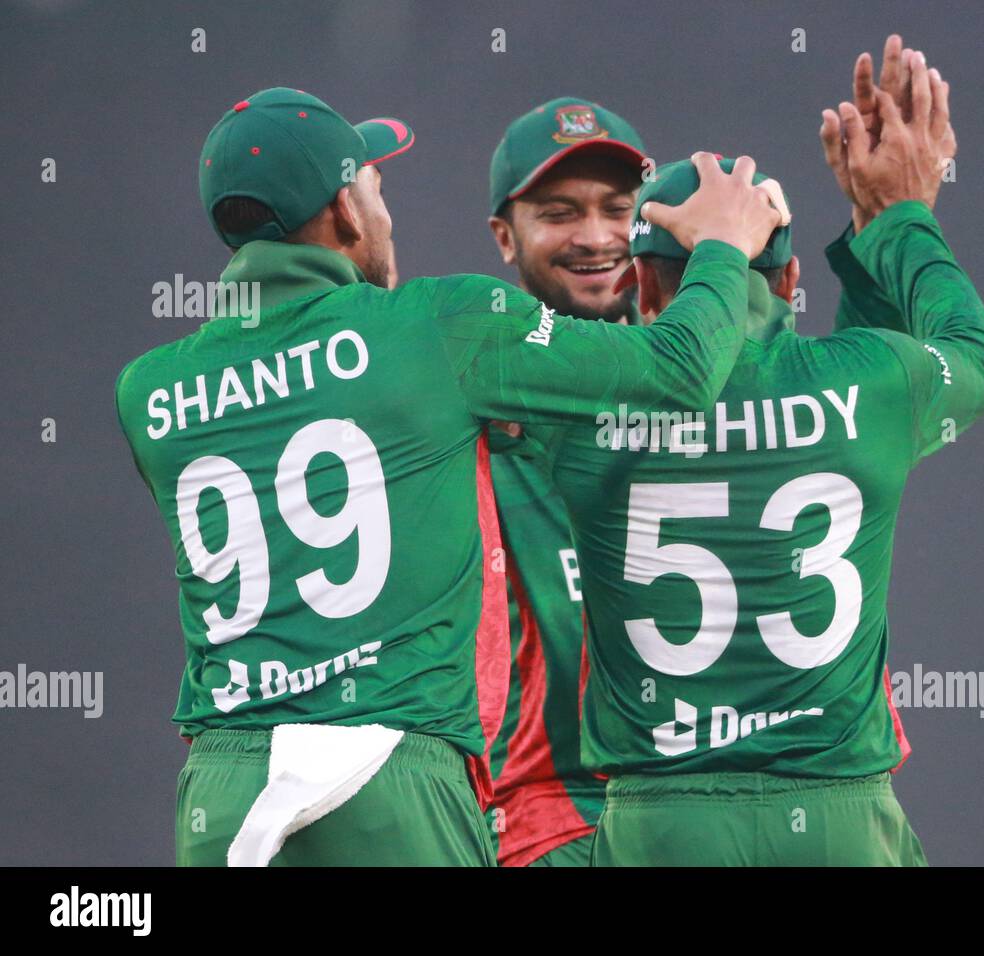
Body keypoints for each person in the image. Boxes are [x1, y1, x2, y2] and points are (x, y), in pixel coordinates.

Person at [112, 86, 780, 865]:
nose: (387, 212)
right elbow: (683, 369)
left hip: (224, 789)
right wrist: (725, 248)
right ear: (347, 209)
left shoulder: (147, 392)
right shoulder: (438, 328)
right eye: (377, 186)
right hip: (389, 772)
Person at [505, 45, 984, 865]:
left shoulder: (579, 407)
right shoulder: (872, 385)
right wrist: (902, 214)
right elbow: (972, 359)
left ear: (639, 283)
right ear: (795, 278)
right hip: (840, 820)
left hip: (661, 825)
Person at [482, 97, 646, 867]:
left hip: (701, 810)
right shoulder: (462, 402)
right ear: (505, 237)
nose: (595, 237)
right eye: (560, 212)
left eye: (619, 209)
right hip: (549, 829)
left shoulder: (722, 391)